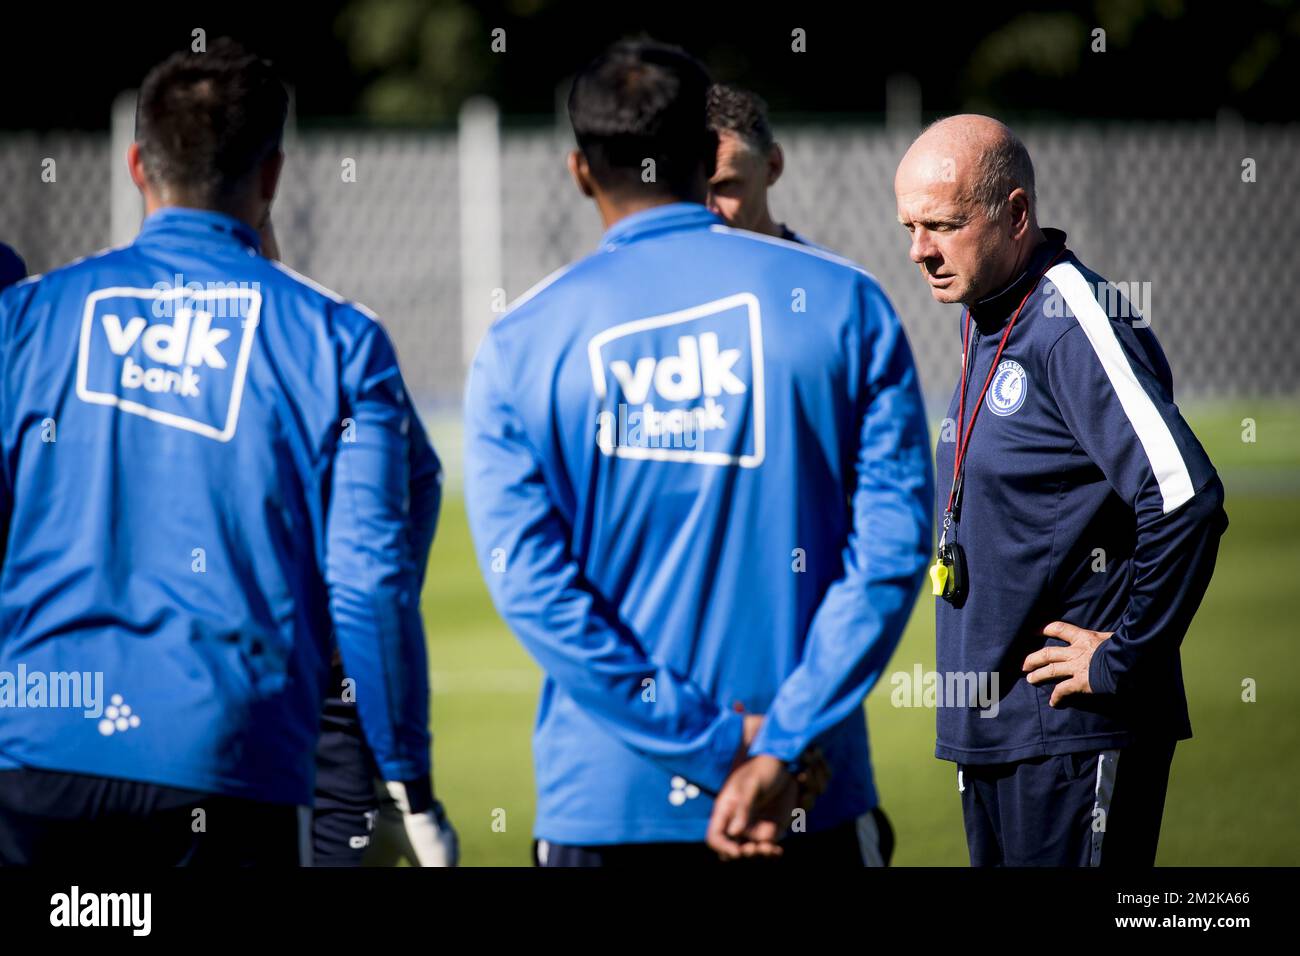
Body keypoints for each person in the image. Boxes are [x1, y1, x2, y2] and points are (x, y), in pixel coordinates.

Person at [464, 39, 932, 866]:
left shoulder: (520, 341)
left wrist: (714, 745)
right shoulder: (843, 303)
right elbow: (892, 554)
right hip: (806, 791)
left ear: (580, 171)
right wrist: (777, 745)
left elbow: (533, 589)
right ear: (700, 154)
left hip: (607, 806)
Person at [0, 38, 443, 865]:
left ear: (136, 164)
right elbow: (371, 579)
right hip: (226, 759)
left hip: (35, 759)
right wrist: (409, 783)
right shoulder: (337, 339)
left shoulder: (25, 320)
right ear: (272, 177)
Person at [893, 114, 1228, 866]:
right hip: (997, 729)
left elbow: (1185, 496)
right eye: (909, 227)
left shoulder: (1069, 316)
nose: (919, 251)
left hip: (1073, 733)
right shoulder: (990, 312)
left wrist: (1124, 657)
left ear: (1015, 214)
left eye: (942, 225)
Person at [704, 81, 895, 863]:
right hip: (671, 741)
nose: (711, 207)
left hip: (816, 743)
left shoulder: (839, 309)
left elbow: (881, 549)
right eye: (694, 187)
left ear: (773, 167)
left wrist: (794, 729)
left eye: (729, 186)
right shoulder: (634, 318)